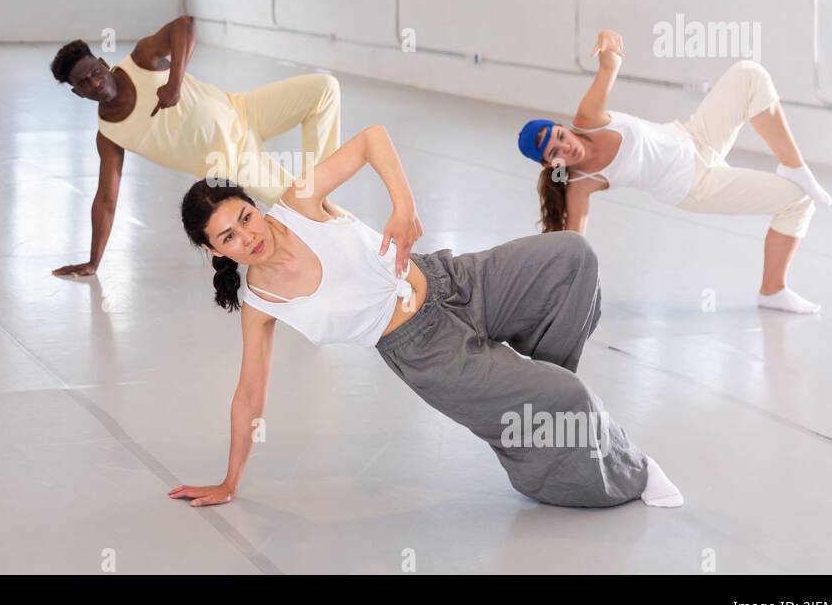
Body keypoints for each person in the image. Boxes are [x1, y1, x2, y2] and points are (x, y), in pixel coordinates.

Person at [172, 125, 683, 509]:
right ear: (212, 250)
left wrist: (402, 206)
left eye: (244, 216)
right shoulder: (261, 306)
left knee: (573, 256)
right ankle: (625, 470)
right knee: (568, 399)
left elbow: (373, 139)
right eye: (228, 237)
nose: (248, 236)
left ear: (253, 205)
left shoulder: (298, 203)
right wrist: (229, 481)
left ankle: (535, 397)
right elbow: (249, 396)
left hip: (450, 279)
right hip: (426, 353)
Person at [518, 30, 832, 314]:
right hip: (693, 184)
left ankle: (794, 165)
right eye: (554, 152)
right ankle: (773, 290)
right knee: (799, 200)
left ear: (562, 127)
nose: (566, 146)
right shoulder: (579, 185)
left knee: (748, 74)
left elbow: (609, 65)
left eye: (560, 136)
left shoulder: (588, 117)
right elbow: (576, 246)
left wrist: (607, 38)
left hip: (694, 136)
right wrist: (560, 294)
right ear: (550, 165)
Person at [49, 15, 342, 277]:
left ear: (103, 64)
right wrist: (93, 262)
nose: (95, 83)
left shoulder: (142, 59)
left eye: (95, 73)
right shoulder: (110, 135)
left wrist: (174, 83)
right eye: (85, 83)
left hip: (244, 109)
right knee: (304, 209)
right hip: (231, 162)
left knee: (324, 89)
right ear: (78, 93)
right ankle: (356, 243)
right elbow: (106, 200)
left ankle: (319, 184)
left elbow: (185, 25)